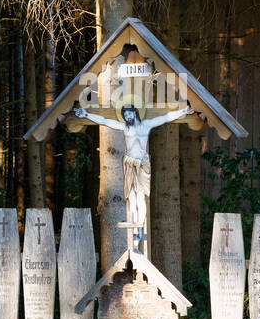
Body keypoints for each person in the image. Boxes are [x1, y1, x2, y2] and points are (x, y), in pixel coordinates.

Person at [72, 102, 198, 249]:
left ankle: (140, 228)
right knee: (131, 199)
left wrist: (183, 111)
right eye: (125, 115)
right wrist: (86, 114)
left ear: (136, 112)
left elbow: (166, 117)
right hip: (130, 165)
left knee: (141, 197)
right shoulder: (125, 127)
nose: (127, 116)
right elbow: (105, 121)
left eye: (129, 113)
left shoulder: (147, 124)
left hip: (143, 165)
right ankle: (133, 229)